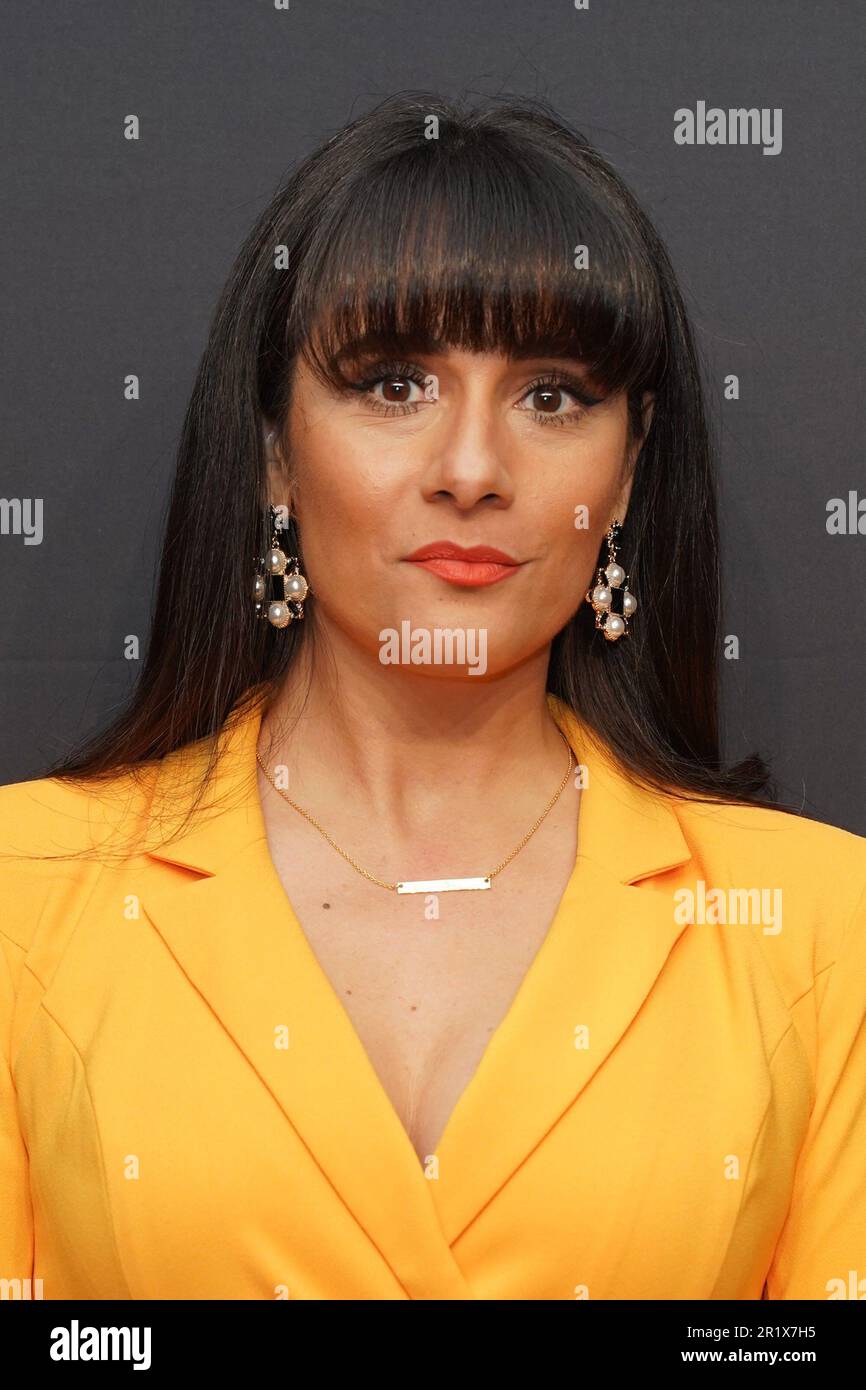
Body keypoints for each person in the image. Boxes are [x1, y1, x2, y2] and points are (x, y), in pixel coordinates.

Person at [1, 92, 864, 1302]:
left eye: (551, 395)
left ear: (624, 477)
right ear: (270, 450)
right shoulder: (24, 898)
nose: (470, 470)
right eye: (394, 384)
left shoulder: (821, 927)